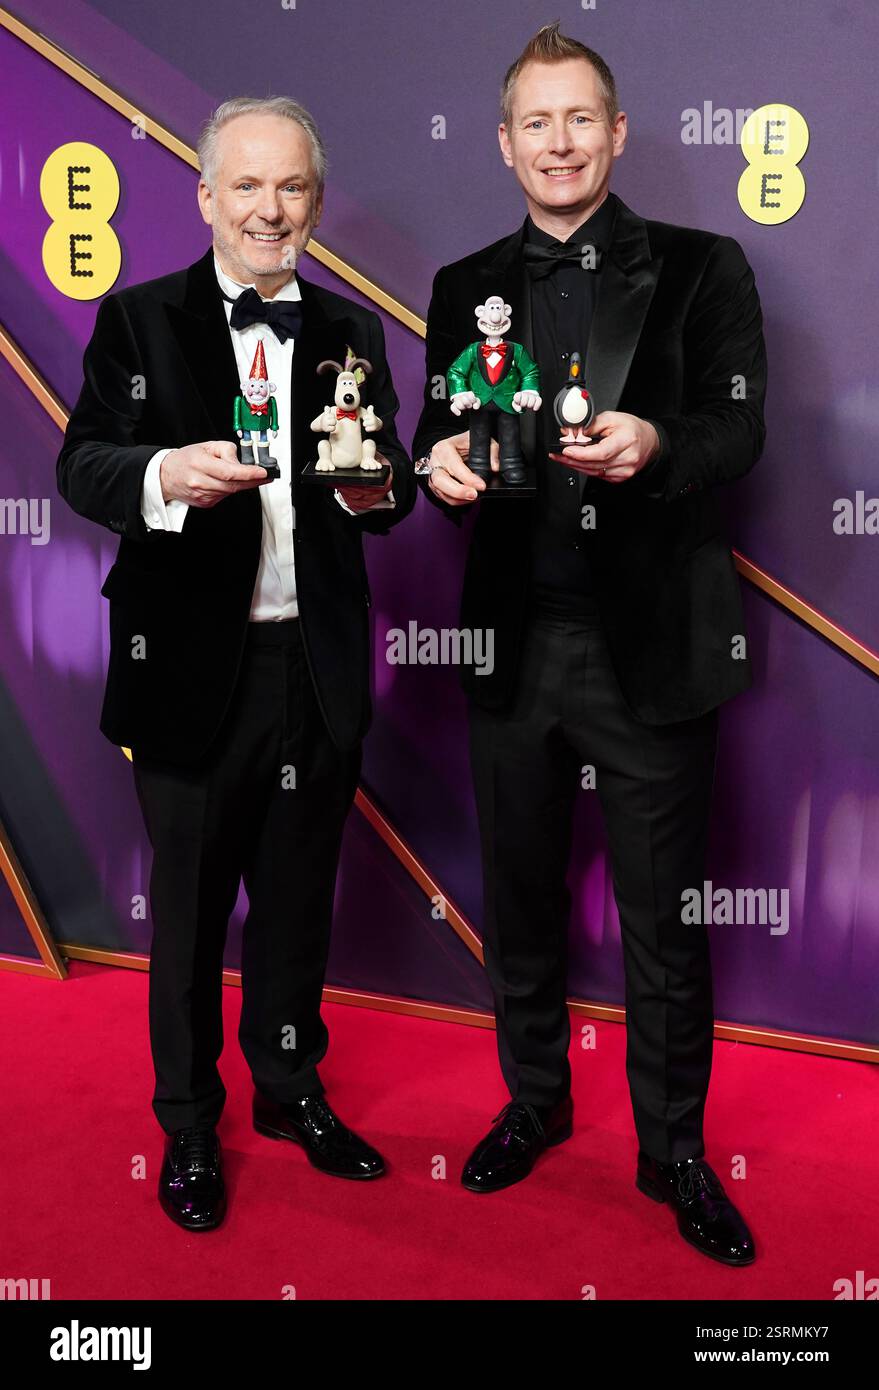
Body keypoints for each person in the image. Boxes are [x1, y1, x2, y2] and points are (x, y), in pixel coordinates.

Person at [412, 24, 766, 1266]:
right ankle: (535, 1101)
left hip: (651, 646)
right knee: (518, 901)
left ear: (617, 134)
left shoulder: (702, 266)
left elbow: (739, 432)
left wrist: (657, 445)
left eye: (582, 120)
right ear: (505, 142)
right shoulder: (465, 285)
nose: (559, 143)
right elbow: (434, 426)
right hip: (514, 642)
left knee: (664, 922)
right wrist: (437, 460)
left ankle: (674, 1151)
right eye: (536, 123)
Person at [57, 95, 415, 1232]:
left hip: (316, 668)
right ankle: (188, 1119)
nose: (271, 210)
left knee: (300, 908)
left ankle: (291, 1088)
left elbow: (387, 487)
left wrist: (376, 490)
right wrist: (166, 474)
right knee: (195, 915)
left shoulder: (352, 333)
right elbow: (84, 467)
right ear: (207, 197)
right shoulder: (139, 319)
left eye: (293, 187)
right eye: (247, 187)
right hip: (189, 671)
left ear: (315, 201)